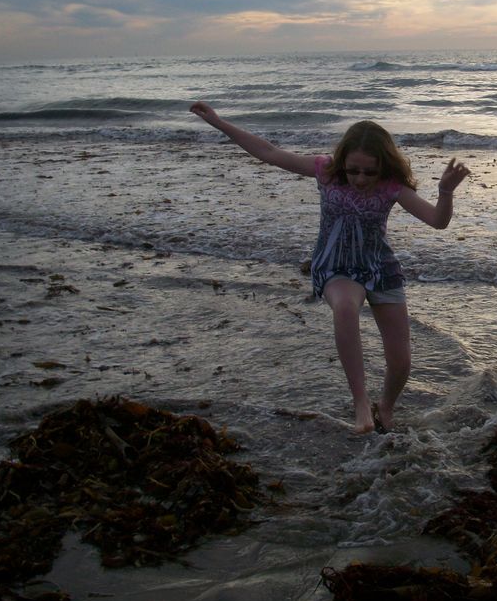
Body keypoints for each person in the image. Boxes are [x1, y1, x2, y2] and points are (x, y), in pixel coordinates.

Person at [189, 102, 470, 434]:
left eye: (370, 172)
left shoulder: (392, 188)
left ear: (384, 167)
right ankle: (361, 404)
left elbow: (438, 222)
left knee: (401, 361)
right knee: (346, 308)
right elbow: (270, 152)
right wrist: (221, 124)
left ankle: (386, 407)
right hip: (335, 264)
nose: (361, 179)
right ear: (342, 162)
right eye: (354, 170)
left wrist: (445, 192)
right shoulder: (325, 171)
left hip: (380, 267)